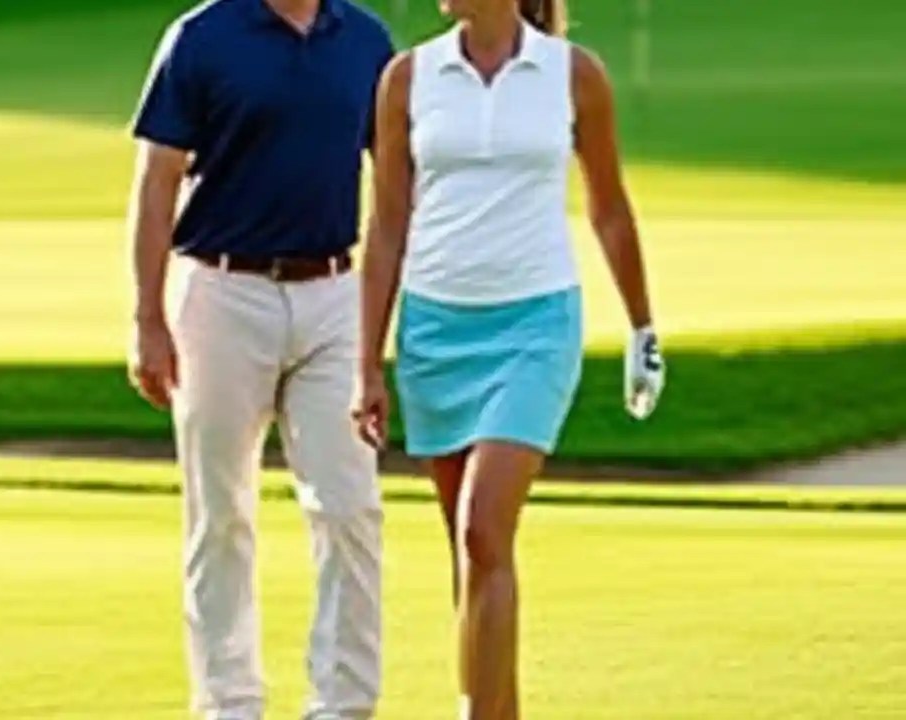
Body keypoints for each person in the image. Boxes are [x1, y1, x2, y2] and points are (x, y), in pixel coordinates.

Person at [353, 0, 667, 718]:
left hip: (535, 325)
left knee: (483, 528)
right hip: (435, 329)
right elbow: (388, 226)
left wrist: (642, 327)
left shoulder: (572, 74)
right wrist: (366, 361)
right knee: (473, 558)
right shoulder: (407, 77)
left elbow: (609, 206)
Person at [127, 0, 395, 718]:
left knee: (349, 506)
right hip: (219, 292)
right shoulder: (201, 36)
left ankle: (343, 705)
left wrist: (382, 324)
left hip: (335, 292)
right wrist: (147, 317)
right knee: (220, 513)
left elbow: (397, 186)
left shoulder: (366, 39)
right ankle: (229, 704)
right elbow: (156, 180)